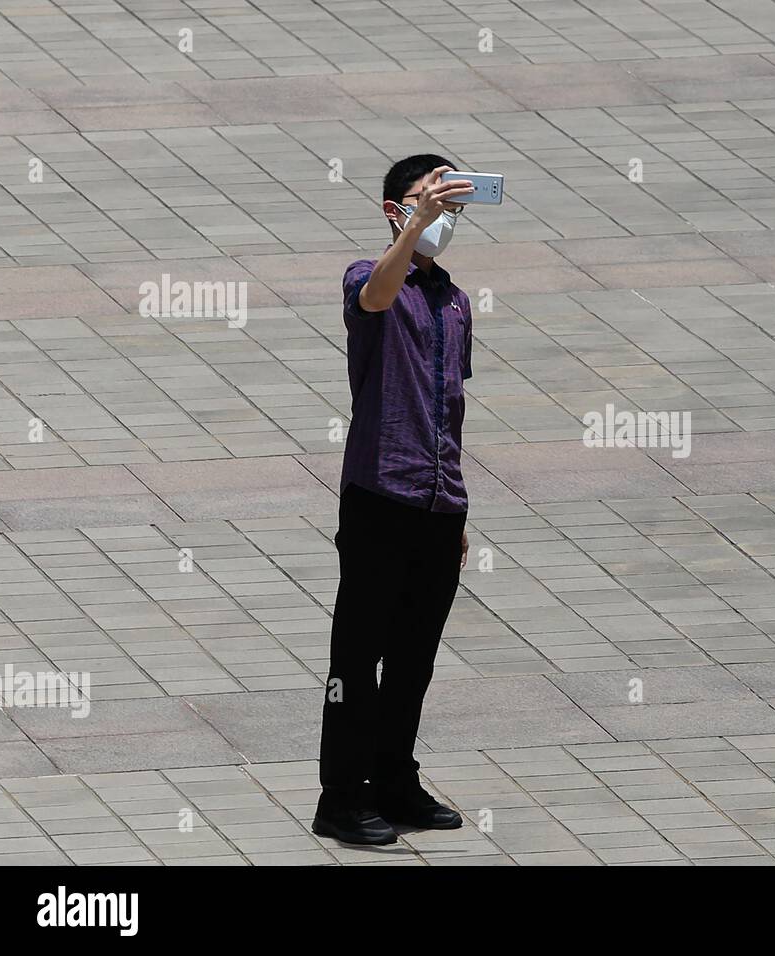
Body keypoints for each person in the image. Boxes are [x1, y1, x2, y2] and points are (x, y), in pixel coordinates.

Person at [313, 155, 476, 846]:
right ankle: (342, 798)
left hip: (437, 501)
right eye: (425, 198)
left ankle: (395, 782)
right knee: (359, 656)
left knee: (415, 656)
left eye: (450, 201)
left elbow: (449, 406)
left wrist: (456, 504)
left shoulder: (456, 301)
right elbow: (376, 297)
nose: (442, 211)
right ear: (393, 210)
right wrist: (416, 230)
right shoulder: (370, 275)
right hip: (381, 493)